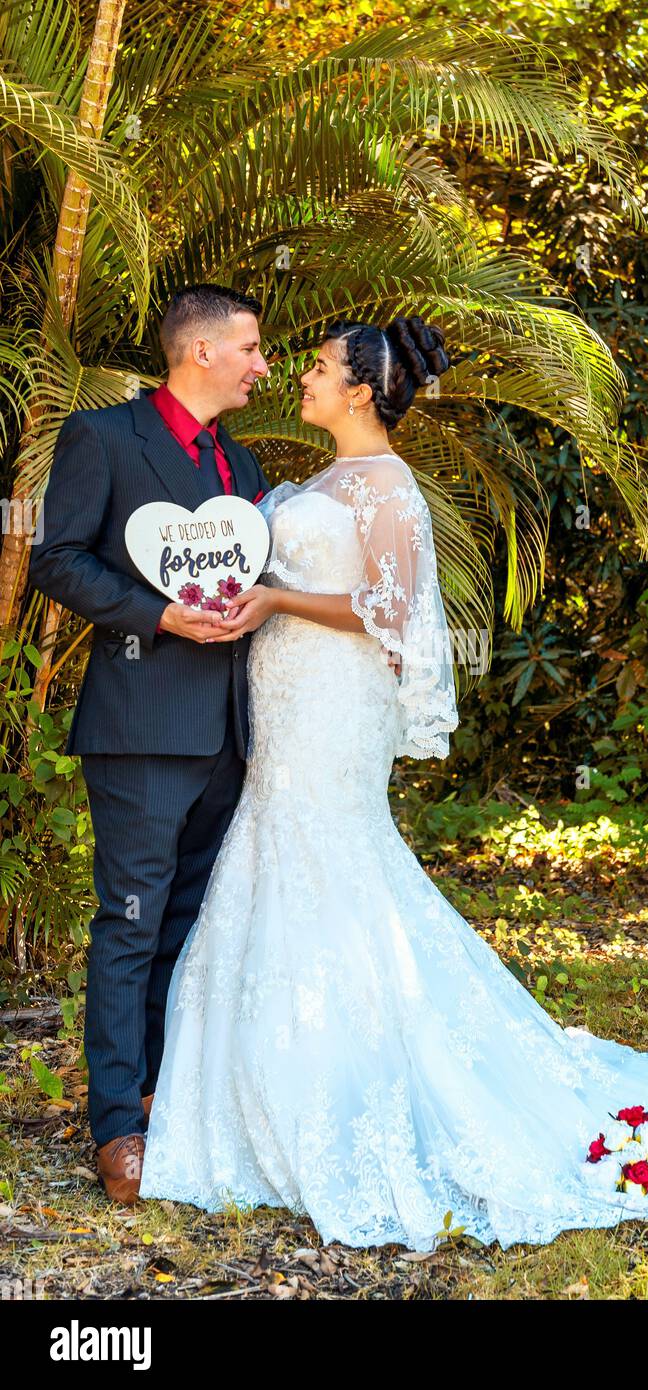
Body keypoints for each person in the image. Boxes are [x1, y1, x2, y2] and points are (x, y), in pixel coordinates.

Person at [138, 313, 648, 1252]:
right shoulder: (314, 480)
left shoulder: (386, 484)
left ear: (356, 391)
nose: (297, 376)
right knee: (278, 854)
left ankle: (354, 1091)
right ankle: (258, 1099)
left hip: (333, 709)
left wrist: (272, 598)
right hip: (284, 700)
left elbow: (386, 607)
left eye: (314, 366)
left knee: (328, 855)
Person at [28, 284, 273, 1203]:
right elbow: (57, 557)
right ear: (199, 352)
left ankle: (171, 1101)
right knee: (128, 926)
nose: (262, 365)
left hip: (230, 732)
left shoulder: (241, 464)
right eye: (249, 348)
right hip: (138, 725)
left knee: (188, 924)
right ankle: (118, 1129)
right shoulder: (102, 437)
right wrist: (159, 614)